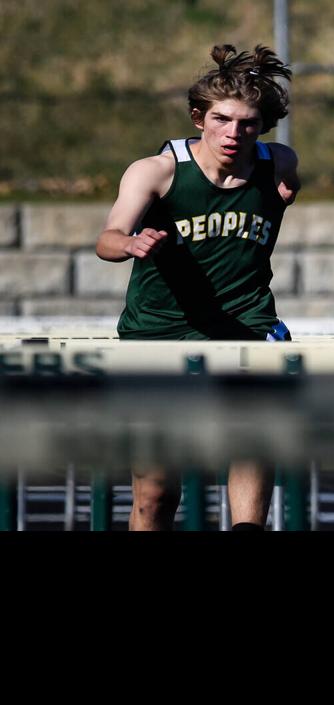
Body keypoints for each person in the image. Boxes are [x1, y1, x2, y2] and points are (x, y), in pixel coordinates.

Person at [95, 43, 302, 531]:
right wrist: (130, 242)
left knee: (251, 444)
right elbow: (105, 239)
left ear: (263, 126)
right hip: (159, 333)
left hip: (246, 328)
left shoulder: (278, 162)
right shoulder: (157, 172)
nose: (234, 133)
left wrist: (291, 190)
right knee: (156, 494)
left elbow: (290, 178)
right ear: (198, 118)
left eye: (248, 123)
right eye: (222, 120)